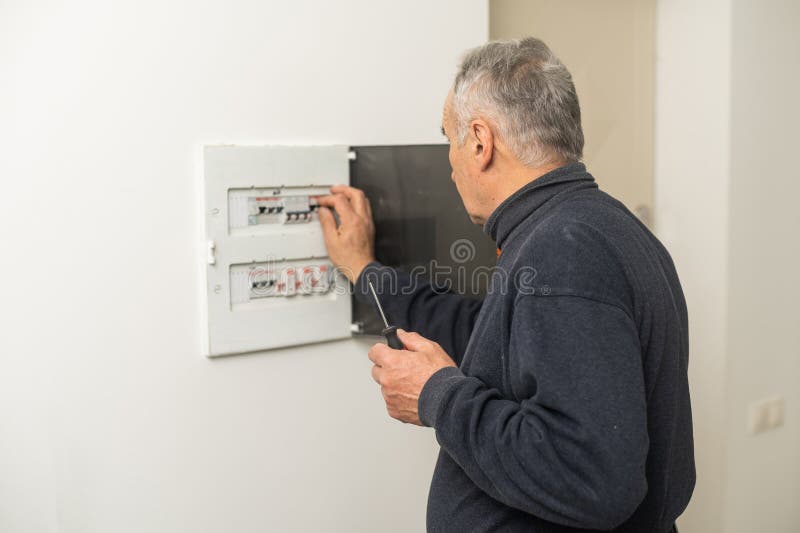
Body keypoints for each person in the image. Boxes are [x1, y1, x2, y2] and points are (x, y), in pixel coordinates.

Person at [317, 38, 694, 533]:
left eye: (449, 138)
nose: (449, 162)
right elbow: (485, 333)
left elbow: (593, 479)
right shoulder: (598, 228)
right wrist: (365, 271)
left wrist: (437, 395)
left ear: (480, 141)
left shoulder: (565, 249)